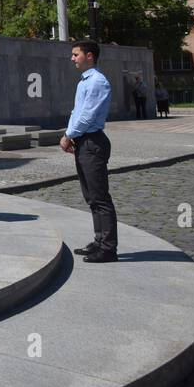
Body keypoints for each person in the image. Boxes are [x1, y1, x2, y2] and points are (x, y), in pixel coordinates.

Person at [60, 39, 118, 263]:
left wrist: (68, 136)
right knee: (91, 196)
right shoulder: (84, 81)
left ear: (90, 56)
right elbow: (77, 111)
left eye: (76, 54)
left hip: (92, 142)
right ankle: (99, 240)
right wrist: (70, 134)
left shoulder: (96, 82)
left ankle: (108, 248)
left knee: (100, 197)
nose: (72, 58)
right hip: (84, 142)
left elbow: (87, 117)